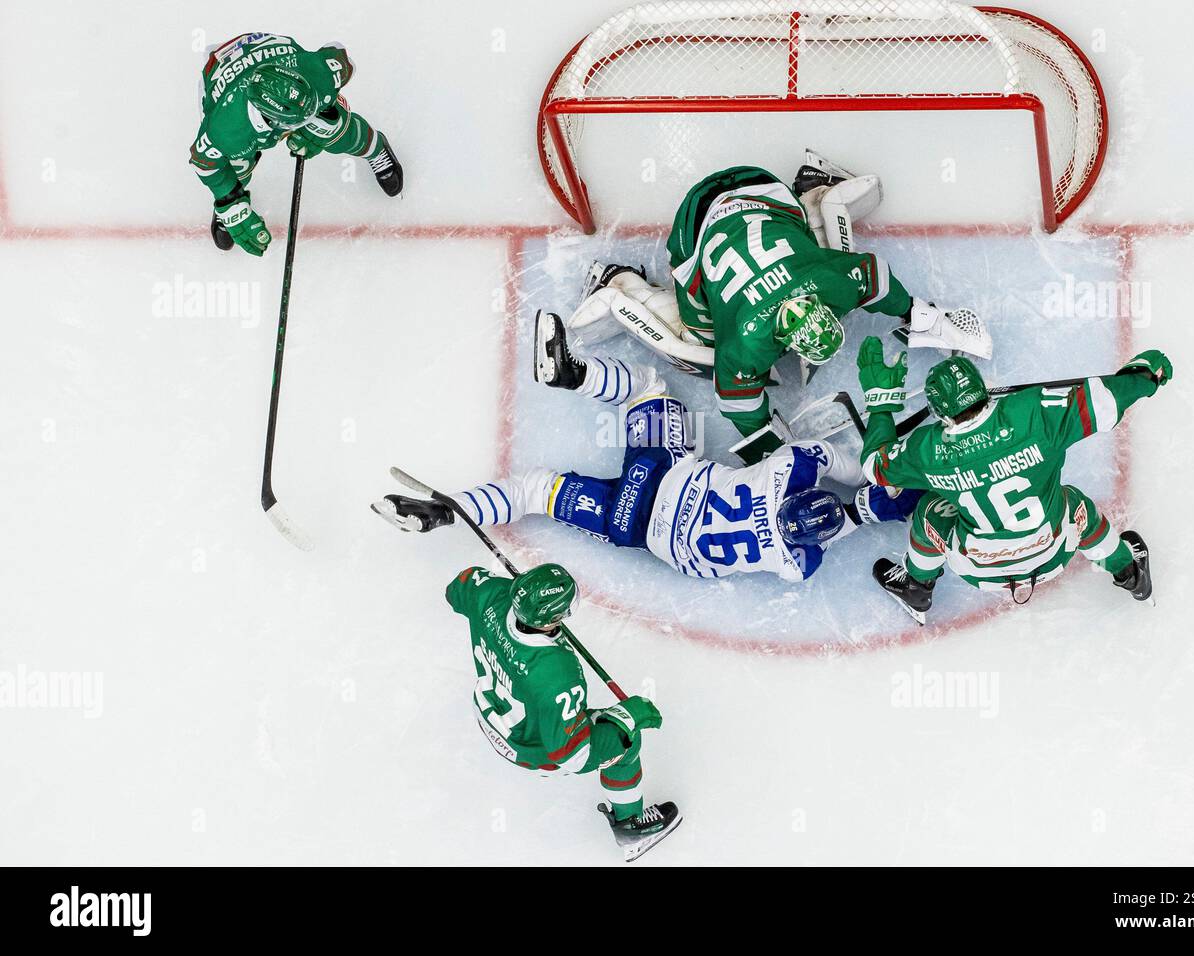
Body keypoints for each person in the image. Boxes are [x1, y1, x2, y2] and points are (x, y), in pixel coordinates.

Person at [372, 313, 921, 582]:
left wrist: (869, 481)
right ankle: (446, 512)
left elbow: (832, 465)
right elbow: (839, 524)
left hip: (660, 474)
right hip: (636, 529)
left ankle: (573, 373)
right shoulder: (797, 564)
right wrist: (875, 509)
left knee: (646, 390)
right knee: (535, 492)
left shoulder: (785, 473)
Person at [567, 160, 991, 462]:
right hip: (700, 225)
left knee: (819, 257)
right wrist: (775, 455)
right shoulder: (747, 343)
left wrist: (920, 315)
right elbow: (734, 403)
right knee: (699, 348)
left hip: (758, 193)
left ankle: (817, 190)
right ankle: (619, 283)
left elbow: (873, 278)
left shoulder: (823, 290)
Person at [854, 336, 1172, 623]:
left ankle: (917, 586)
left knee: (929, 512)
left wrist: (881, 405)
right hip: (1054, 553)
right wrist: (1145, 374)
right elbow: (1106, 401)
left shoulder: (926, 449)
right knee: (1075, 504)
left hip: (978, 570)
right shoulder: (1035, 413)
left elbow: (874, 465)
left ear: (943, 415)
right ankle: (1130, 573)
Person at [445, 561, 680, 862]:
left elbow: (459, 588)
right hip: (531, 747)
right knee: (626, 741)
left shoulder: (494, 594)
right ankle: (630, 829)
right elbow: (573, 756)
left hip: (491, 717)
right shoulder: (558, 674)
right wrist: (629, 715)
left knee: (571, 716)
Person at [189, 32, 402, 257]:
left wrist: (327, 112)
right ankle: (233, 199)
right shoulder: (226, 128)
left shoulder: (317, 72)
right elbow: (204, 162)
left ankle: (377, 148)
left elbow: (340, 55)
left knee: (336, 129)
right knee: (237, 164)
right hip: (222, 76)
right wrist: (229, 201)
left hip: (270, 55)